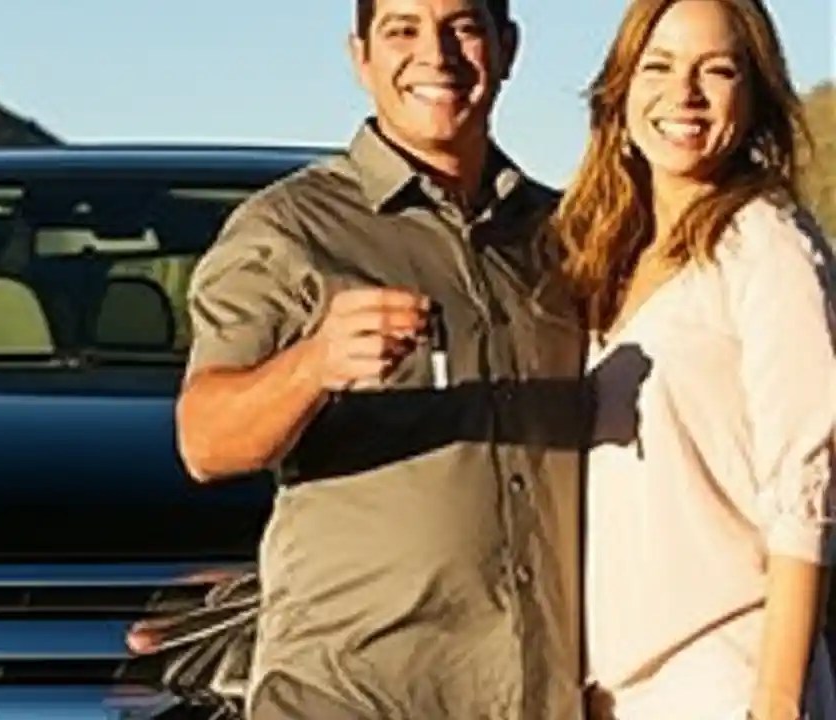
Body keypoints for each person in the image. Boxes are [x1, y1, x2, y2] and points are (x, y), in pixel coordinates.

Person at [175, 0, 589, 717]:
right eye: (402, 29)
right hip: (356, 695)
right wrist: (313, 365)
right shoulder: (288, 229)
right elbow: (204, 442)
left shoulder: (566, 239)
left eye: (463, 26)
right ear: (360, 58)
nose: (437, 54)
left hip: (540, 695)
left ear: (508, 47)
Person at [551, 1, 836, 718]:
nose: (684, 94)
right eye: (660, 66)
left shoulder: (765, 245)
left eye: (717, 70)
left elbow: (809, 482)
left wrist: (775, 698)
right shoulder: (604, 251)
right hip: (617, 687)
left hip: (725, 674)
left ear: (755, 94)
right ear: (620, 90)